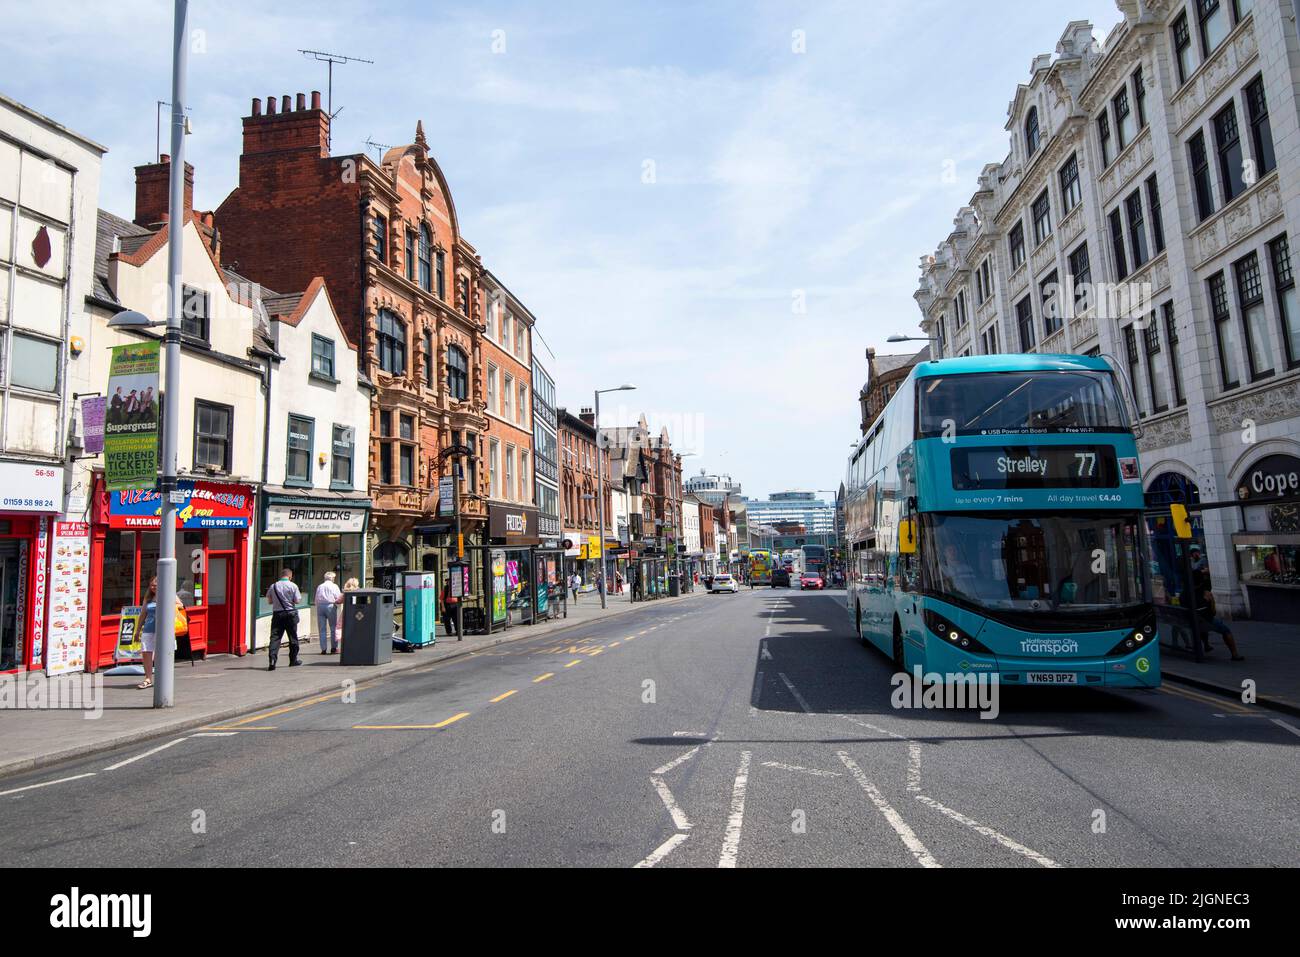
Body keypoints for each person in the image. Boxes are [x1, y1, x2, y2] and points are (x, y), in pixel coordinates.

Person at [1180, 574, 1243, 661]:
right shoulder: (1206, 594)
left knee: (1201, 625)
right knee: (1226, 631)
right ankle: (1234, 654)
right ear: (1201, 582)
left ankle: (1206, 645)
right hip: (1205, 621)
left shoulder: (1183, 594)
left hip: (1189, 621)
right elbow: (1213, 612)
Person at [137, 576, 184, 690]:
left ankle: (162, 678)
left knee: (161, 654)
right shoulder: (148, 597)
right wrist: (138, 630)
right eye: (151, 585)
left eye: (155, 585)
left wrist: (168, 605)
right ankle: (148, 678)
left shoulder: (169, 594)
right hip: (148, 628)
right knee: (146, 652)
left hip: (164, 629)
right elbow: (143, 613)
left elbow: (180, 605)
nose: (153, 587)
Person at [266, 568, 302, 670]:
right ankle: (293, 660)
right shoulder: (293, 586)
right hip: (290, 614)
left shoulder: (273, 586)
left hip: (277, 614)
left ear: (281, 575)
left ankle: (272, 661)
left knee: (275, 638)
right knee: (293, 637)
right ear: (290, 576)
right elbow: (297, 600)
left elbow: (269, 601)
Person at [314, 571, 343, 654]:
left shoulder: (320, 586)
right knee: (333, 627)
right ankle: (334, 647)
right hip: (330, 605)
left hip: (320, 606)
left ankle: (323, 649)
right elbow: (338, 597)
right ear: (332, 578)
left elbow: (316, 597)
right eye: (334, 578)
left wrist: (317, 605)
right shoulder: (334, 586)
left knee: (322, 629)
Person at [441, 573, 460, 638]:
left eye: (450, 581)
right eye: (448, 581)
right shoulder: (445, 589)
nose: (449, 582)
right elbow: (441, 599)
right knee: (447, 620)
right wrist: (443, 607)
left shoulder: (456, 588)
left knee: (456, 619)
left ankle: (458, 631)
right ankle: (449, 632)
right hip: (447, 605)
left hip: (455, 605)